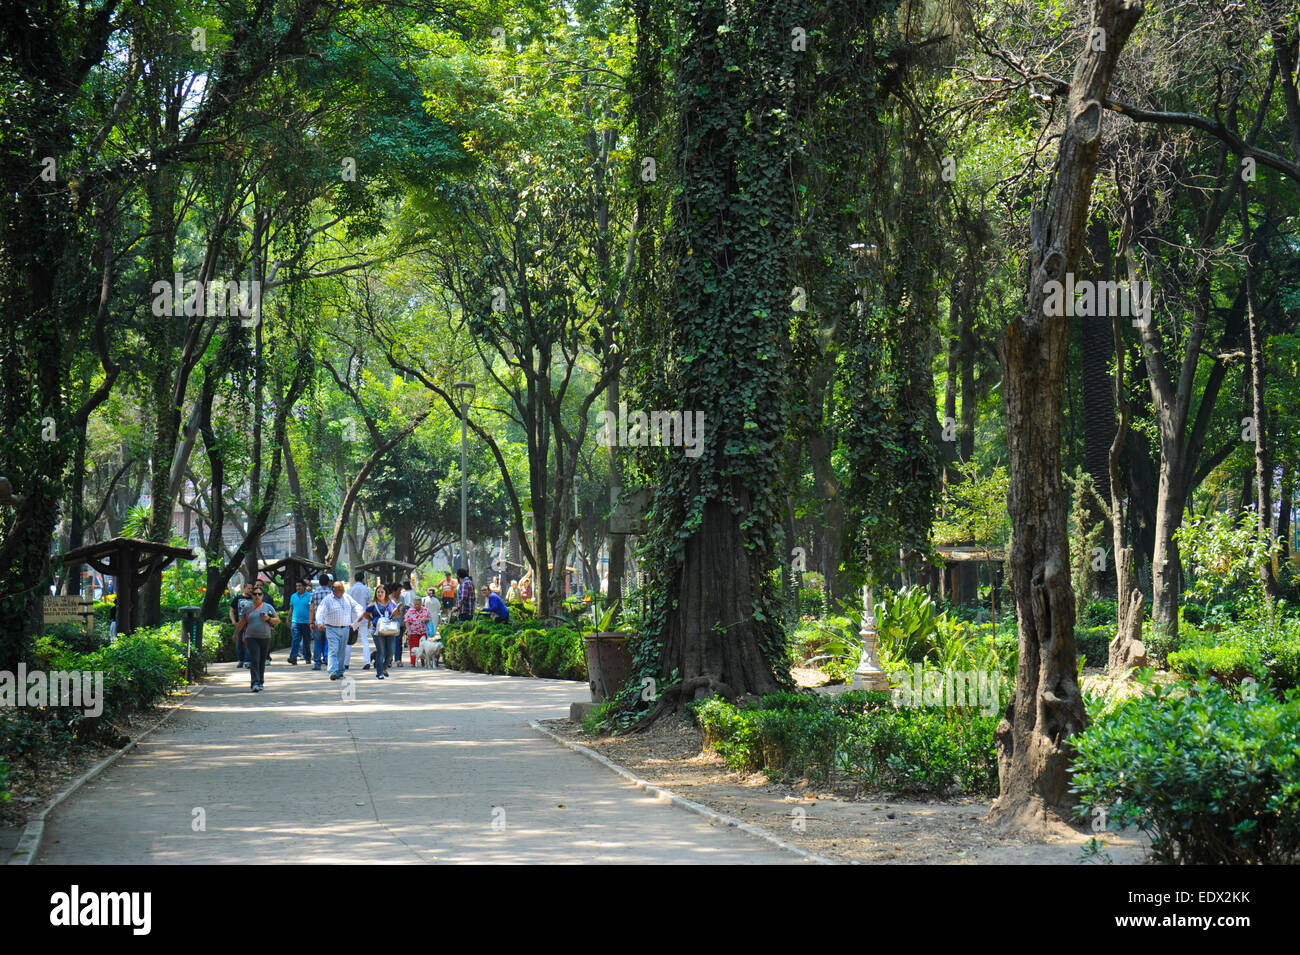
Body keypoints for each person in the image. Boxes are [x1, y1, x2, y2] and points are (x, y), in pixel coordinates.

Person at [315, 579, 364, 680]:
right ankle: (332, 671)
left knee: (342, 651)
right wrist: (320, 622)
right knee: (333, 650)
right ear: (333, 590)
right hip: (331, 628)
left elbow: (356, 606)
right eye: (339, 590)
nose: (341, 592)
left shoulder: (347, 597)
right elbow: (320, 611)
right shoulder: (328, 599)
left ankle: (340, 671)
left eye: (342, 590)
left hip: (345, 628)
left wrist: (360, 614)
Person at [240, 585, 280, 692]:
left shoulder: (268, 607)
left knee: (262, 661)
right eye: (255, 594)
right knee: (255, 660)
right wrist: (236, 634)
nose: (257, 596)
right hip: (251, 637)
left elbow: (277, 620)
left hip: (265, 637)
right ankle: (255, 683)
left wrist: (268, 618)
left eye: (259, 594)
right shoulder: (247, 607)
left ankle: (260, 681)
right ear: (251, 595)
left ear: (263, 596)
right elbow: (242, 622)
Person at [362, 585, 398, 679]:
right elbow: (365, 614)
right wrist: (373, 620)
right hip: (377, 630)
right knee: (380, 651)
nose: (380, 594)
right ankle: (379, 673)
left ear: (386, 593)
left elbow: (396, 613)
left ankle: (384, 667)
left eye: (382, 592)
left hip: (390, 629)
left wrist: (396, 613)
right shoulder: (373, 604)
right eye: (378, 592)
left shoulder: (391, 602)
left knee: (390, 651)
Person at [308, 572, 333, 671]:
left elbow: (311, 609)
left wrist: (311, 622)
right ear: (328, 582)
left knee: (317, 643)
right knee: (329, 642)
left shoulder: (314, 593)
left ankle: (317, 663)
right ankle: (328, 661)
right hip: (330, 622)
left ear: (319, 583)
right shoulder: (332, 593)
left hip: (318, 622)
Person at [347, 573, 372, 668]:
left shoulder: (350, 590)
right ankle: (367, 662)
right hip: (364, 616)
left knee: (349, 641)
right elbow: (369, 605)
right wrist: (370, 619)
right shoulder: (367, 590)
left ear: (354, 579)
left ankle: (346, 663)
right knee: (365, 640)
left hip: (353, 618)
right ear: (363, 579)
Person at [287, 579, 312, 664]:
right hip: (295, 622)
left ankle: (308, 657)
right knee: (295, 639)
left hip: (306, 622)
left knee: (306, 641)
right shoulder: (293, 596)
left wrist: (312, 621)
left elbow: (312, 609)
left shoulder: (310, 596)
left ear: (304, 587)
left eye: (300, 586)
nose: (298, 587)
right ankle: (293, 657)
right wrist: (288, 619)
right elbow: (291, 608)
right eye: (297, 586)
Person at [229, 582, 253, 668]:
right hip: (240, 624)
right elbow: (231, 610)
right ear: (244, 588)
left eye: (251, 589)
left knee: (249, 642)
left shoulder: (254, 598)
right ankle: (240, 660)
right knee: (238, 642)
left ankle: (247, 660)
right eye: (248, 588)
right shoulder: (237, 598)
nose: (250, 590)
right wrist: (233, 621)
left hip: (250, 624)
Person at [404, 595, 432, 666]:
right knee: (413, 647)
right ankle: (413, 663)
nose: (416, 606)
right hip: (413, 632)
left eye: (418, 604)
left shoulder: (425, 610)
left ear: (421, 604)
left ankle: (424, 661)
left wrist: (425, 619)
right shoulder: (410, 611)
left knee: (424, 647)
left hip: (423, 631)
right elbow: (407, 621)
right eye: (415, 604)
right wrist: (408, 631)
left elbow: (429, 618)